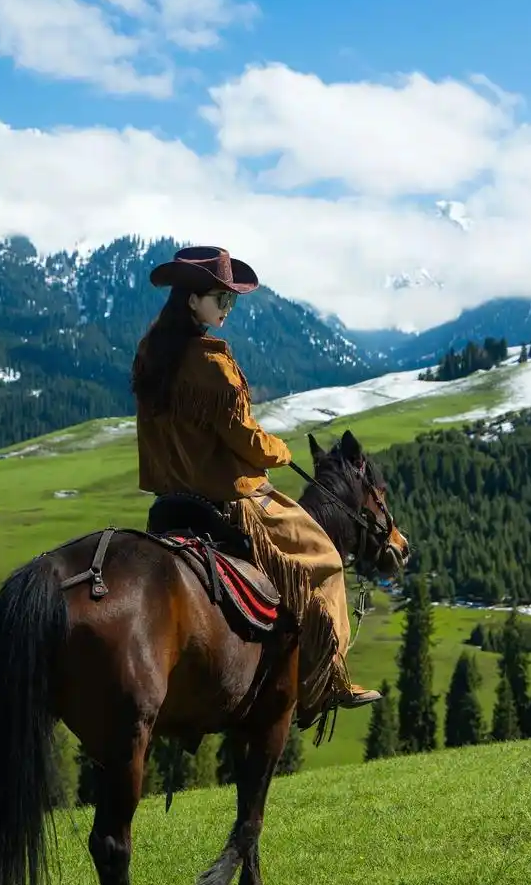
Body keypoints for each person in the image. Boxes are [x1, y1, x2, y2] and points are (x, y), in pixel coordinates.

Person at [131, 244, 381, 728]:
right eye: (220, 298)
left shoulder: (151, 354)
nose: (228, 307)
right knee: (324, 559)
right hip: (226, 498)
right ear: (192, 301)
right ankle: (329, 679)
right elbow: (245, 440)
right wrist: (278, 451)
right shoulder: (213, 365)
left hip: (169, 498)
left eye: (230, 299)